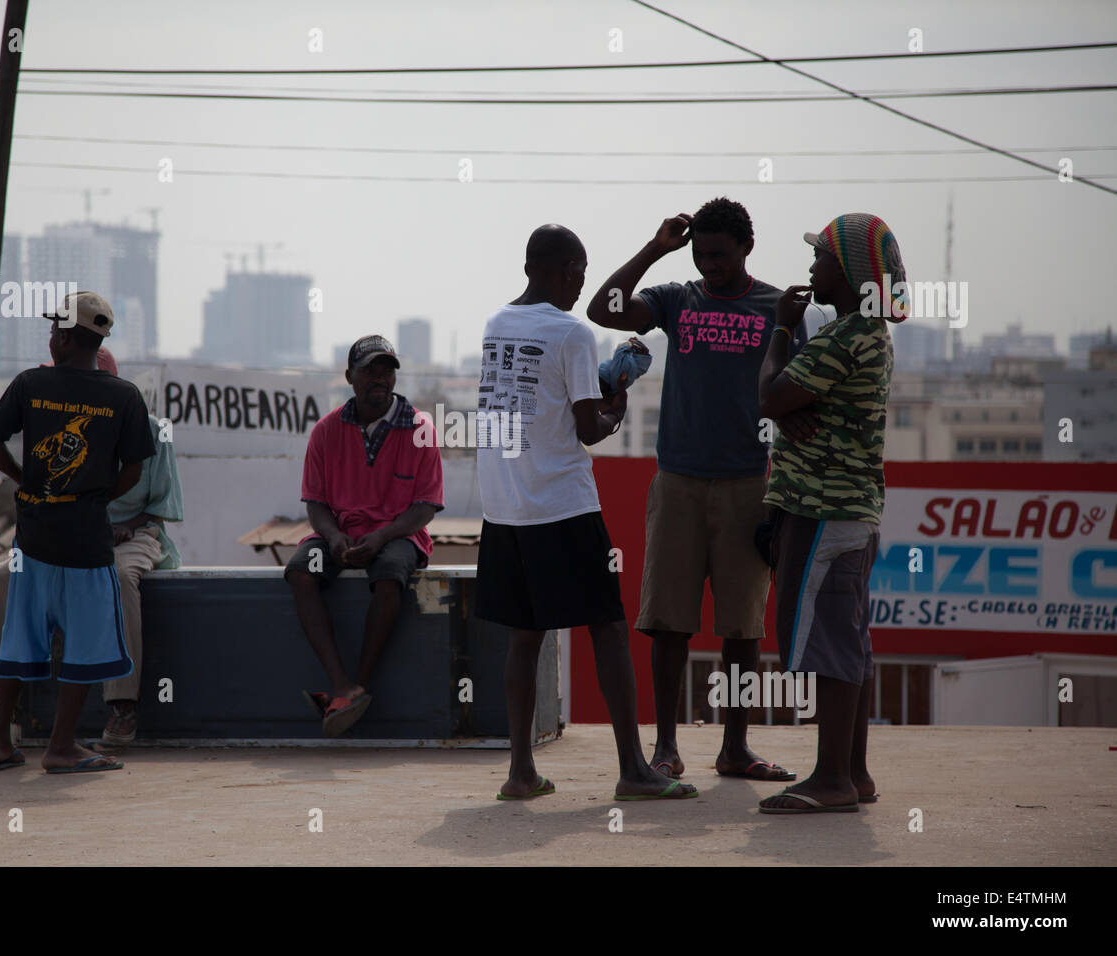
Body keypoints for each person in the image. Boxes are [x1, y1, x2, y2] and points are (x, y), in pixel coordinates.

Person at [586, 197, 811, 784]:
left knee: (741, 627)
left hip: (746, 484)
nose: (708, 264)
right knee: (668, 624)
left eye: (719, 254)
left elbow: (797, 390)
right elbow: (605, 309)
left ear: (746, 249)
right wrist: (656, 248)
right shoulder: (677, 299)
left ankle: (735, 747)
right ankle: (666, 748)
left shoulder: (774, 307)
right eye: (700, 254)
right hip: (678, 480)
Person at [476, 223, 690, 801]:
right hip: (560, 503)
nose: (582, 285)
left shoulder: (497, 325)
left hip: (504, 505)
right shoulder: (572, 332)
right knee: (608, 625)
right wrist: (615, 405)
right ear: (568, 271)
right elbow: (586, 427)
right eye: (581, 274)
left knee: (526, 633)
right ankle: (633, 770)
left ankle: (521, 772)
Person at [0, 347, 184, 747]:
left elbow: (159, 508)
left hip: (127, 535)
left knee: (122, 579)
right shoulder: (51, 424)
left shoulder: (147, 426)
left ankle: (122, 705)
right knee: (3, 578)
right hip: (62, 535)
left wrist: (115, 525)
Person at [756, 212, 904, 813]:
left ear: (846, 271)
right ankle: (854, 773)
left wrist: (779, 335)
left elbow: (769, 395)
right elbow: (787, 402)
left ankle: (831, 780)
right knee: (850, 644)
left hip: (827, 511)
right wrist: (787, 404)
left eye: (820, 258)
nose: (811, 267)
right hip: (845, 512)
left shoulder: (848, 335)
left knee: (834, 648)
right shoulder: (859, 331)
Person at [0, 291, 156, 773]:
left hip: (31, 538)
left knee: (18, 638)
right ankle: (61, 748)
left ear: (70, 336)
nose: (51, 336)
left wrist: (26, 481)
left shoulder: (30, 383)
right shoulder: (124, 396)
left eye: (55, 329)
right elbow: (134, 470)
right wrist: (94, 497)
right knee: (85, 642)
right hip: (86, 541)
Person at [286, 335, 444, 737]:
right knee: (301, 571)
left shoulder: (421, 428)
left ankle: (359, 685)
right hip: (341, 533)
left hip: (398, 535)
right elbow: (316, 503)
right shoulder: (326, 430)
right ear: (349, 377)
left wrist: (380, 537)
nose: (380, 377)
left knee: (390, 573)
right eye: (370, 369)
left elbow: (424, 508)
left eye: (387, 369)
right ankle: (342, 685)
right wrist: (334, 536)